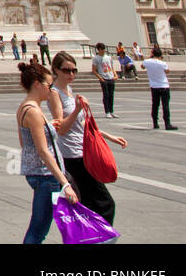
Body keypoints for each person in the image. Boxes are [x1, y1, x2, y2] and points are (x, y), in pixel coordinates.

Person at [47, 51, 127, 226]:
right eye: (67, 70)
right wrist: (76, 109)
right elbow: (60, 128)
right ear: (56, 70)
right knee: (105, 203)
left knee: (90, 204)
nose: (71, 74)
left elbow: (81, 125)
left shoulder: (68, 90)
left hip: (83, 151)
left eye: (74, 70)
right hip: (72, 155)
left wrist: (107, 136)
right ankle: (101, 237)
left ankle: (93, 237)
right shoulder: (54, 93)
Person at [16, 60, 79, 244]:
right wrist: (65, 183)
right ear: (37, 84)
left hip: (37, 173)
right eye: (49, 85)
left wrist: (48, 127)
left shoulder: (24, 107)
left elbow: (24, 142)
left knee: (39, 227)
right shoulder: (34, 112)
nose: (51, 90)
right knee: (38, 230)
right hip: (45, 175)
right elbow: (43, 151)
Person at [138, 46, 176, 130]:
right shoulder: (162, 63)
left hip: (154, 86)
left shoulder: (147, 62)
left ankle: (155, 123)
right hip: (164, 85)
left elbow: (142, 66)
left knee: (155, 105)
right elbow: (167, 71)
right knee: (165, 105)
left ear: (152, 54)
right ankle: (167, 123)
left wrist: (150, 57)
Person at [92, 43, 118, 117]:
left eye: (104, 49)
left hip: (111, 77)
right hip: (104, 78)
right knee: (106, 95)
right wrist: (100, 78)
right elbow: (94, 70)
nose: (103, 50)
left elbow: (112, 67)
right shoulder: (96, 58)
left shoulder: (108, 57)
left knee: (111, 95)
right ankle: (107, 112)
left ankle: (111, 111)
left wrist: (115, 75)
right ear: (99, 49)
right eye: (102, 49)